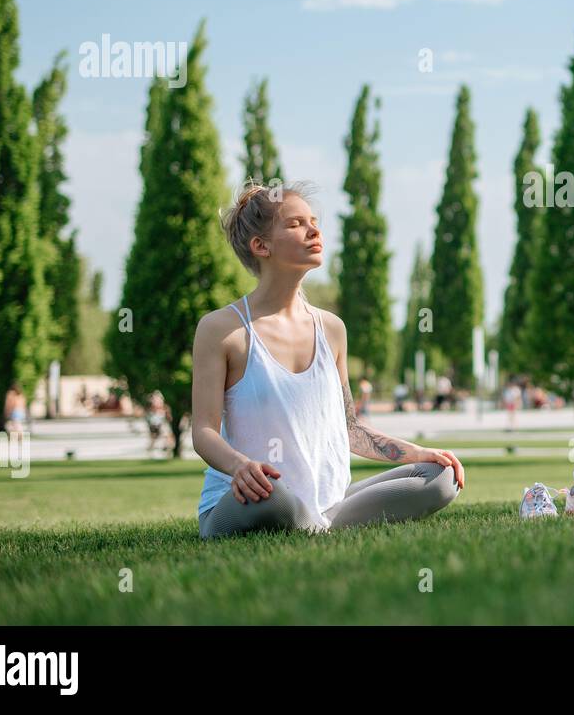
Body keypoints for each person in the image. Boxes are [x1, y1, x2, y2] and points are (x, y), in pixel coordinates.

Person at [191, 179, 464, 540]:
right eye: (295, 224)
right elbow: (203, 431)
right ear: (261, 246)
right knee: (276, 499)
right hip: (250, 498)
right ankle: (317, 526)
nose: (313, 229)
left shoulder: (331, 329)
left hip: (328, 502)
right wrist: (241, 467)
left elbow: (349, 427)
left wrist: (416, 451)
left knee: (439, 477)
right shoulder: (221, 329)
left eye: (314, 221)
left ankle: (319, 526)